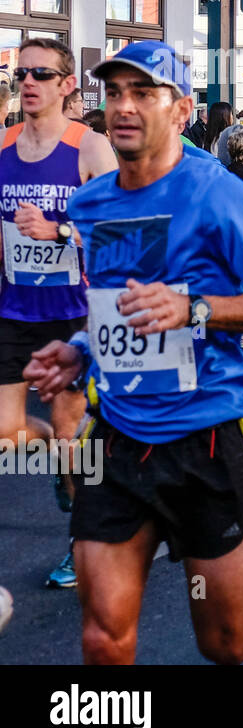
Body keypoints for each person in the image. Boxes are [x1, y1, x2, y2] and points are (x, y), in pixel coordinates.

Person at [23, 41, 243, 664]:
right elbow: (114, 304)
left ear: (179, 109)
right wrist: (80, 350)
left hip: (210, 437)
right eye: (115, 92)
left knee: (226, 641)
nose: (124, 106)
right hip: (113, 437)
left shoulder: (217, 194)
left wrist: (194, 306)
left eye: (144, 93)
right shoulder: (90, 204)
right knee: (102, 636)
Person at [1, 37, 117, 589]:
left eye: (41, 73)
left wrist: (59, 230)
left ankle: (81, 540)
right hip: (13, 308)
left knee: (72, 437)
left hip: (73, 315)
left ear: (67, 85)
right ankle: (60, 461)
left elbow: (122, 231)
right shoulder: (1, 146)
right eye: (20, 72)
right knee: (8, 437)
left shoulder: (90, 148)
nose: (27, 82)